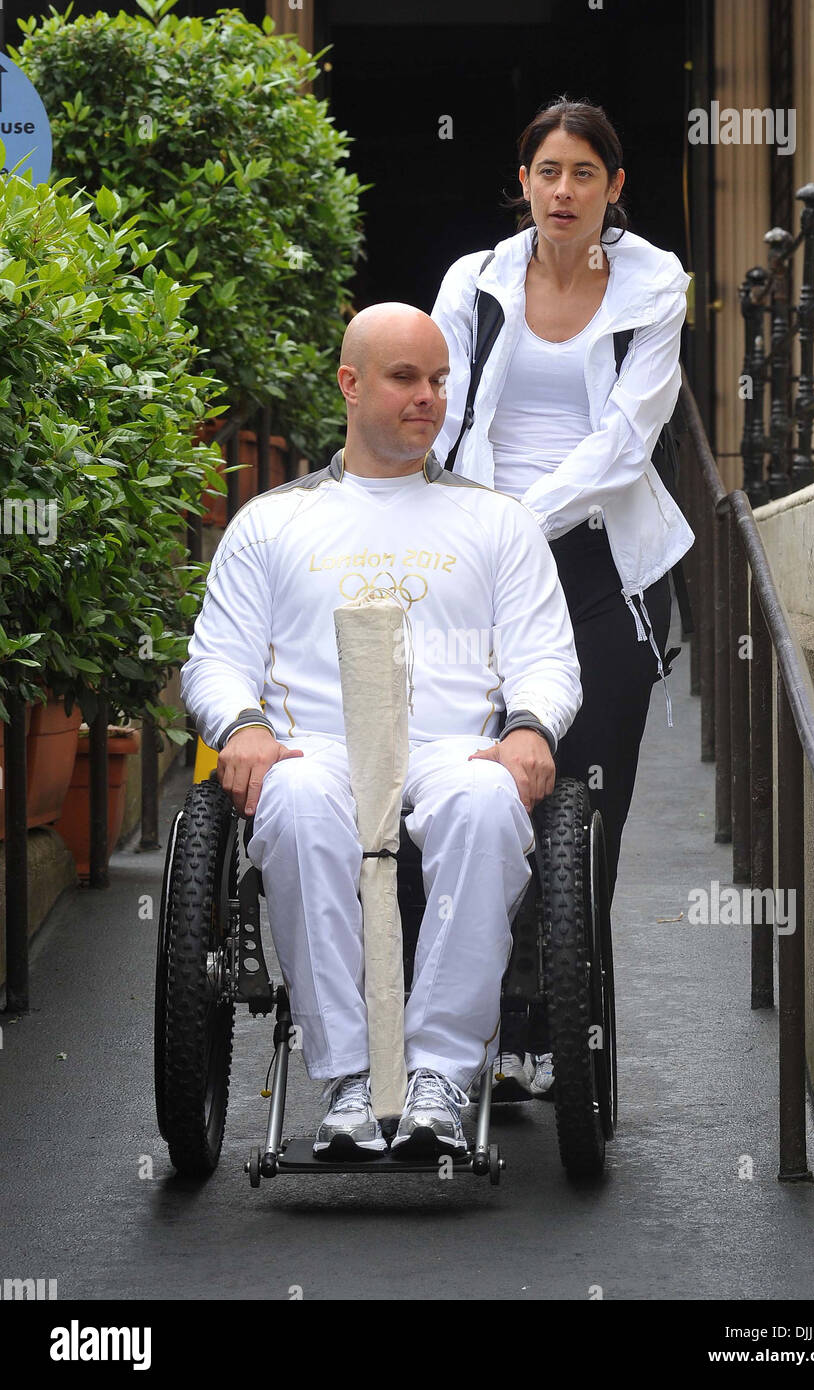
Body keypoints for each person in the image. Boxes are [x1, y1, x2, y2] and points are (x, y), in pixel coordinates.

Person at [179, 304, 582, 1160]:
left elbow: (545, 656)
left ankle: (438, 1073)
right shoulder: (272, 521)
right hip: (314, 748)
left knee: (485, 801)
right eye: (405, 378)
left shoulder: (497, 522)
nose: (427, 397)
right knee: (287, 800)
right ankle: (350, 1078)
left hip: (450, 749)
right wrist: (242, 726)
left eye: (439, 380)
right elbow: (215, 659)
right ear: (350, 384)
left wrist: (529, 728)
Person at [431, 98, 694, 1100]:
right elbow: (438, 410)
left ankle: (555, 1024)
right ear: (524, 182)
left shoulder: (652, 283)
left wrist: (517, 519)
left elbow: (627, 439)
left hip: (598, 567)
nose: (563, 190)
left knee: (584, 809)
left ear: (612, 188)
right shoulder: (476, 280)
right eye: (547, 171)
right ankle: (481, 1020)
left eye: (584, 173)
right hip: (479, 572)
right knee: (483, 793)